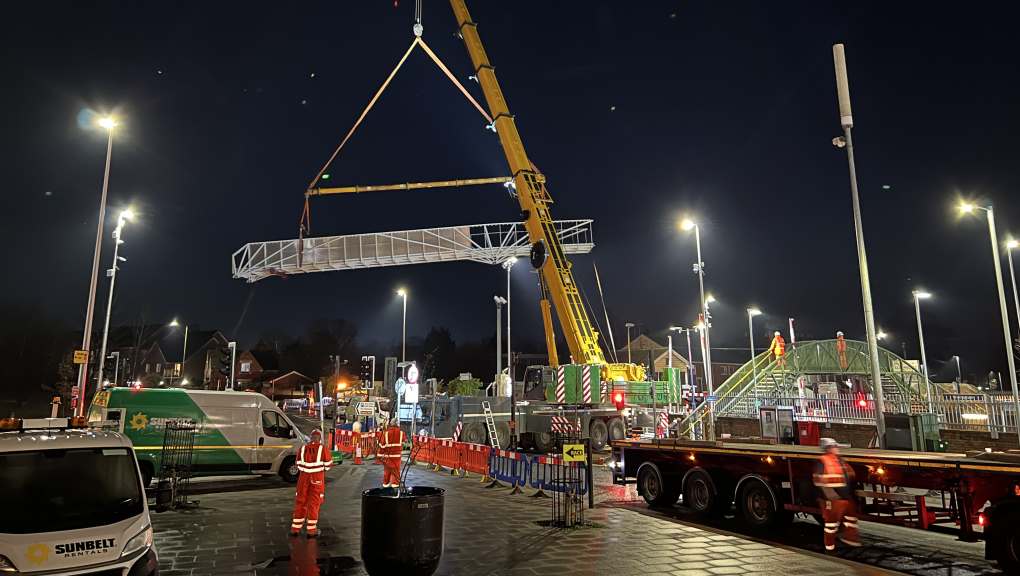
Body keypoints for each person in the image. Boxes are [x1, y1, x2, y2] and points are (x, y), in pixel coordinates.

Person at [813, 438, 860, 551]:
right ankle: (830, 548)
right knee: (831, 524)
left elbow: (848, 475)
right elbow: (818, 480)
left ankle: (850, 540)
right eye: (835, 447)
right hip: (832, 498)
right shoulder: (823, 461)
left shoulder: (838, 460)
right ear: (828, 448)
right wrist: (830, 495)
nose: (837, 448)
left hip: (843, 497)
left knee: (851, 519)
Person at [291, 428, 331, 537]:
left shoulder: (303, 448)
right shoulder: (323, 448)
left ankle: (295, 528)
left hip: (303, 478)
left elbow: (298, 464)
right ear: (319, 438)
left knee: (300, 502)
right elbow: (327, 466)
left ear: (311, 437)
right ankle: (311, 530)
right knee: (314, 504)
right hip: (317, 478)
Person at [377, 418, 405, 488]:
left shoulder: (386, 433)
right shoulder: (401, 433)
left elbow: (382, 446)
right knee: (396, 472)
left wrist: (379, 455)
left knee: (387, 472)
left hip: (388, 457)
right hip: (397, 457)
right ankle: (395, 487)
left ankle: (385, 486)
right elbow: (403, 442)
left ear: (390, 424)